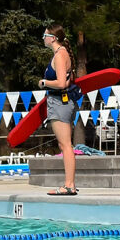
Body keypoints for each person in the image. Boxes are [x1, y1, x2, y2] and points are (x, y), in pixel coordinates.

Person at [39, 25, 80, 195]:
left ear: (53, 38)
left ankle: (69, 185)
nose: (43, 38)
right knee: (65, 145)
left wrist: (44, 83)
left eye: (45, 35)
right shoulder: (62, 53)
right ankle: (70, 184)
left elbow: (62, 83)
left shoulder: (60, 55)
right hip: (61, 102)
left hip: (59, 103)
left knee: (65, 145)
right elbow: (68, 80)